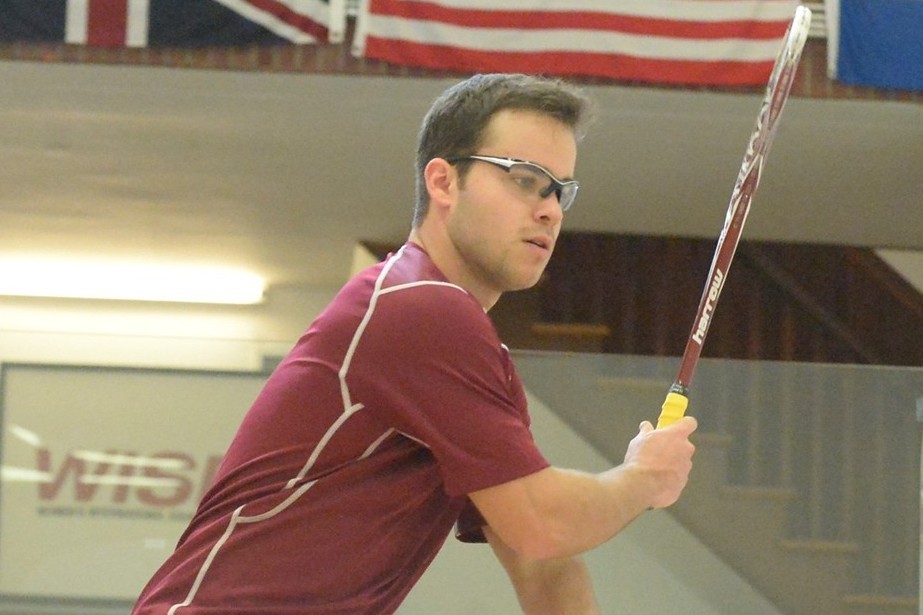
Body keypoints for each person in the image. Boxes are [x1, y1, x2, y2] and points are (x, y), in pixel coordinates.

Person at [132, 73, 697, 615]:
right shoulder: (419, 309)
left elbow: (541, 563)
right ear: (444, 182)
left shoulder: (471, 346)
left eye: (560, 190)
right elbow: (541, 522)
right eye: (524, 178)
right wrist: (644, 478)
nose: (549, 208)